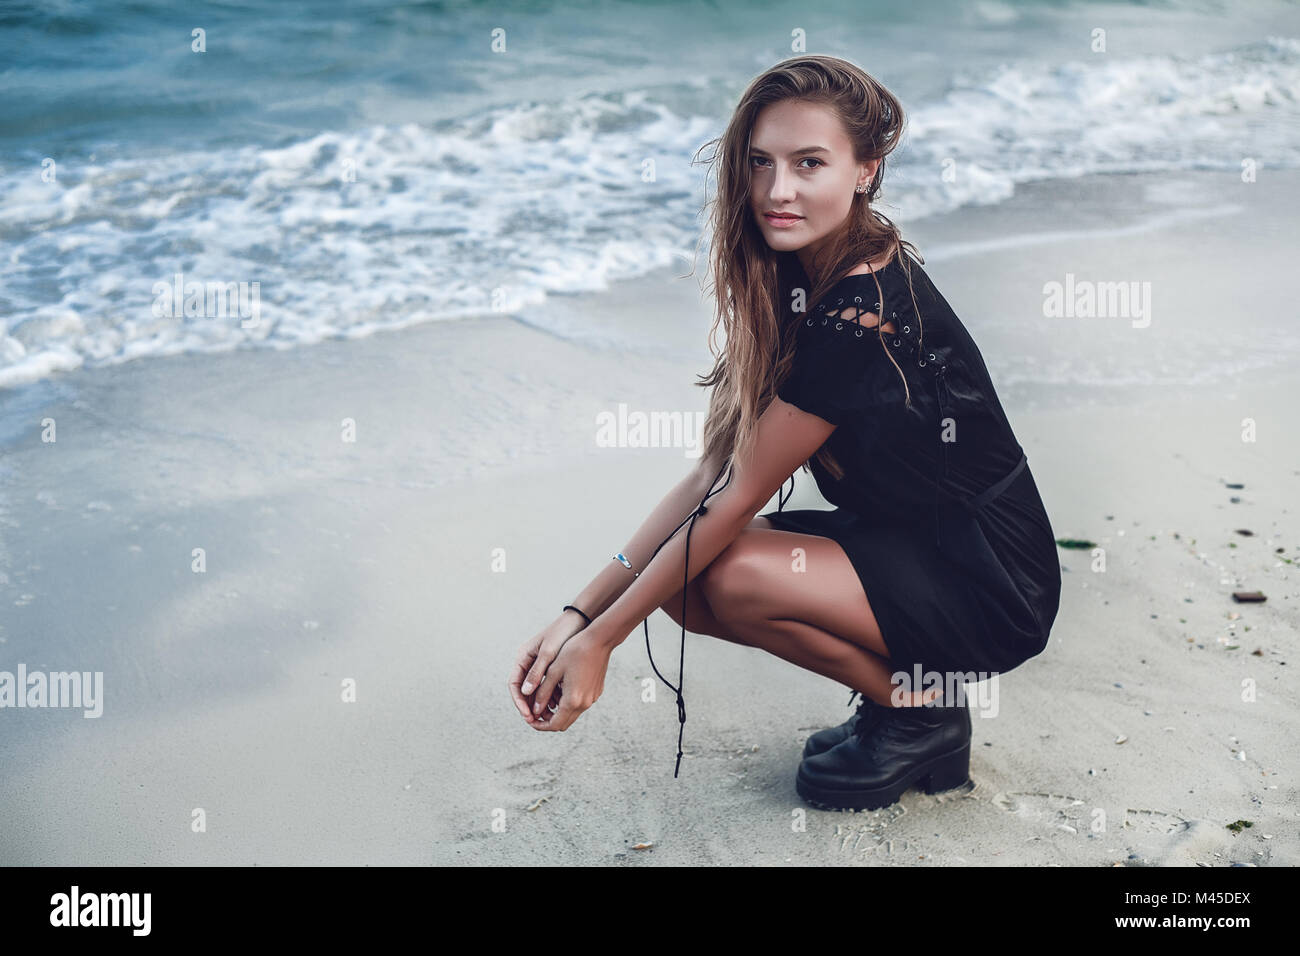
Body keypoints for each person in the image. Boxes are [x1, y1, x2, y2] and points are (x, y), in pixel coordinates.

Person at [507, 55, 1062, 812]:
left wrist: (600, 642)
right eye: (760, 163)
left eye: (810, 163)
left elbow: (732, 501)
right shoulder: (798, 273)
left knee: (722, 570)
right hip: (904, 538)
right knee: (688, 576)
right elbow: (712, 474)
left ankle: (919, 712)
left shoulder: (858, 314)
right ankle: (909, 702)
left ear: (865, 169)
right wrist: (579, 614)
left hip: (988, 576)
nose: (777, 190)